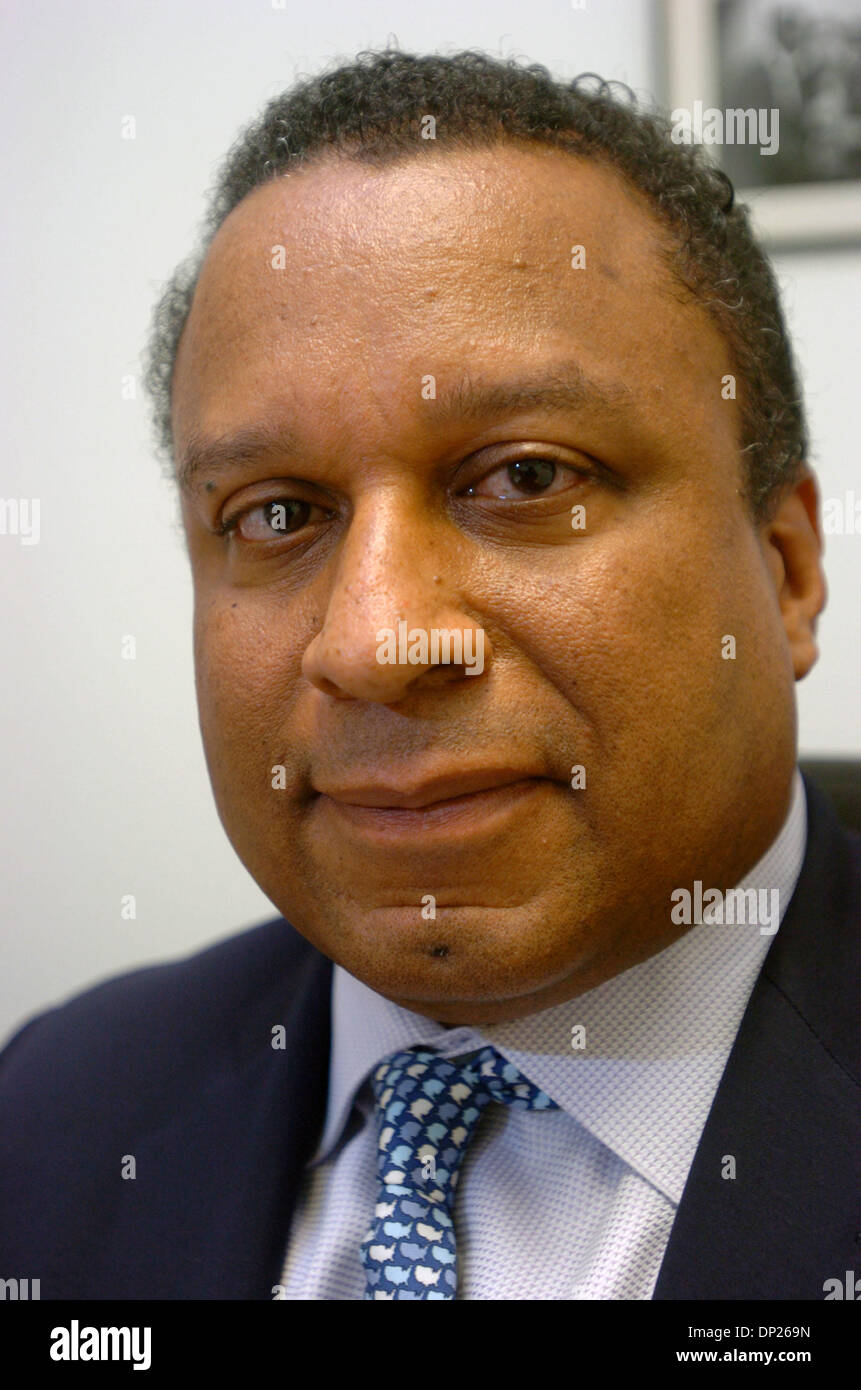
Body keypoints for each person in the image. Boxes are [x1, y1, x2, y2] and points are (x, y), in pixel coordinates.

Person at [1, 49, 857, 1301]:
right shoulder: (57, 1110)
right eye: (279, 512)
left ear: (783, 570)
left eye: (524, 478)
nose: (373, 643)